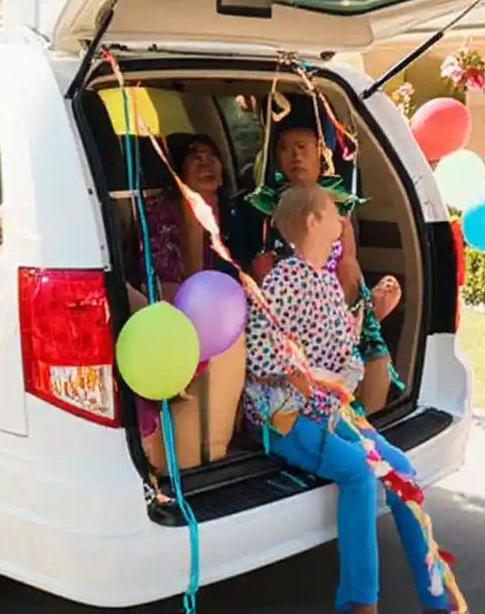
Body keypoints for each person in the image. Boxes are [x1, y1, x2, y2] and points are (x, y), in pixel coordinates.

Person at [243, 184, 456, 614]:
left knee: (403, 471)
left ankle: (437, 594)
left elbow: (341, 346)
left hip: (326, 410)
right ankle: (361, 601)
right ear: (309, 222)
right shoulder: (283, 280)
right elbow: (260, 354)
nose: (342, 221)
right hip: (283, 414)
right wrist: (312, 381)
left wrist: (376, 309)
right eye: (331, 213)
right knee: (359, 473)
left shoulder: (324, 281)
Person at [238, 120, 402, 415]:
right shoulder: (266, 213)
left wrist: (349, 312)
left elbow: (348, 268)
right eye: (285, 149)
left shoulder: (338, 214)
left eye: (302, 148)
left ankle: (370, 430)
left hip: (338, 309)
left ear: (321, 154)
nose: (294, 156)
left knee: (376, 362)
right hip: (293, 318)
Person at [127, 133, 246, 471]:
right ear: (177, 168)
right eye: (194, 155)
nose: (205, 162)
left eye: (212, 155)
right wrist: (192, 223)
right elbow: (180, 290)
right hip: (172, 317)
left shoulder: (237, 216)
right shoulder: (160, 213)